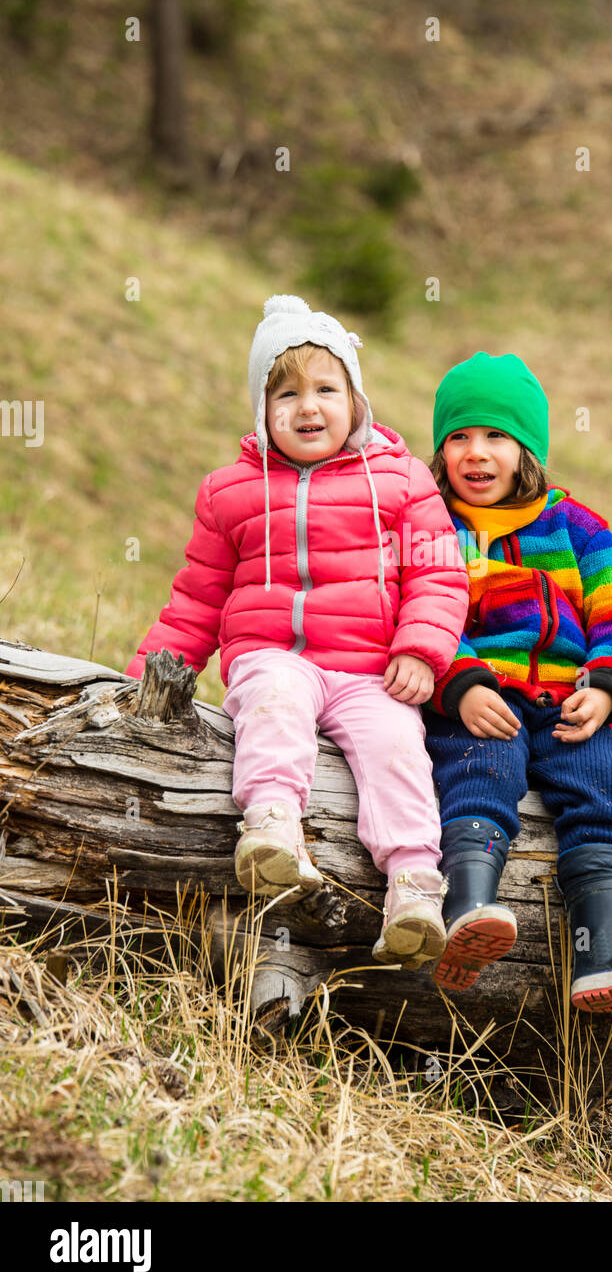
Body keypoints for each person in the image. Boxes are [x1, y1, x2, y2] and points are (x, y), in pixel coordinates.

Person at [126, 295, 469, 970]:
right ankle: (272, 826)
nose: (307, 408)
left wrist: (421, 650)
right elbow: (197, 595)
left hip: (372, 669)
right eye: (285, 395)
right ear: (261, 408)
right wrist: (143, 677)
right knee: (272, 704)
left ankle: (413, 884)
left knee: (398, 748)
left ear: (355, 400)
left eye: (324, 390)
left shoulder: (399, 481)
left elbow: (438, 575)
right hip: (273, 654)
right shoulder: (231, 491)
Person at [422, 350, 612, 1010]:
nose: (475, 452)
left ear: (528, 450)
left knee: (603, 795)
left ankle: (604, 951)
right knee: (480, 771)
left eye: (496, 435)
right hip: (479, 700)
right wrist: (461, 684)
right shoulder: (430, 526)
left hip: (564, 701)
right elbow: (417, 612)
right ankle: (468, 909)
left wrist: (606, 686)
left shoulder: (573, 526)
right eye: (458, 436)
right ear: (440, 450)